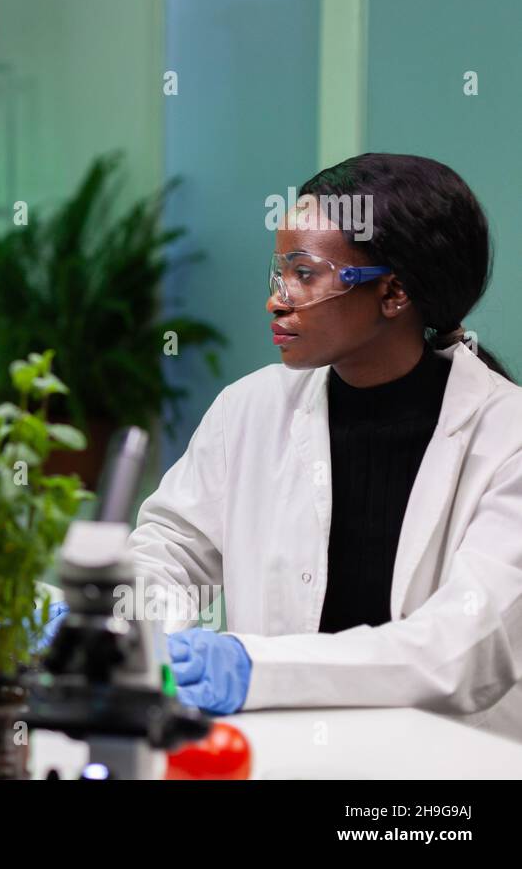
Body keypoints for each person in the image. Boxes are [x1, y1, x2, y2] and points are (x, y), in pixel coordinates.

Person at [131, 153, 522, 741]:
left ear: (392, 293)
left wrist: (254, 669)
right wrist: (148, 632)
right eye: (277, 273)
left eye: (304, 274)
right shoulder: (252, 408)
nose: (277, 300)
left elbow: (460, 648)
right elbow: (169, 548)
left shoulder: (506, 437)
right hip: (280, 755)